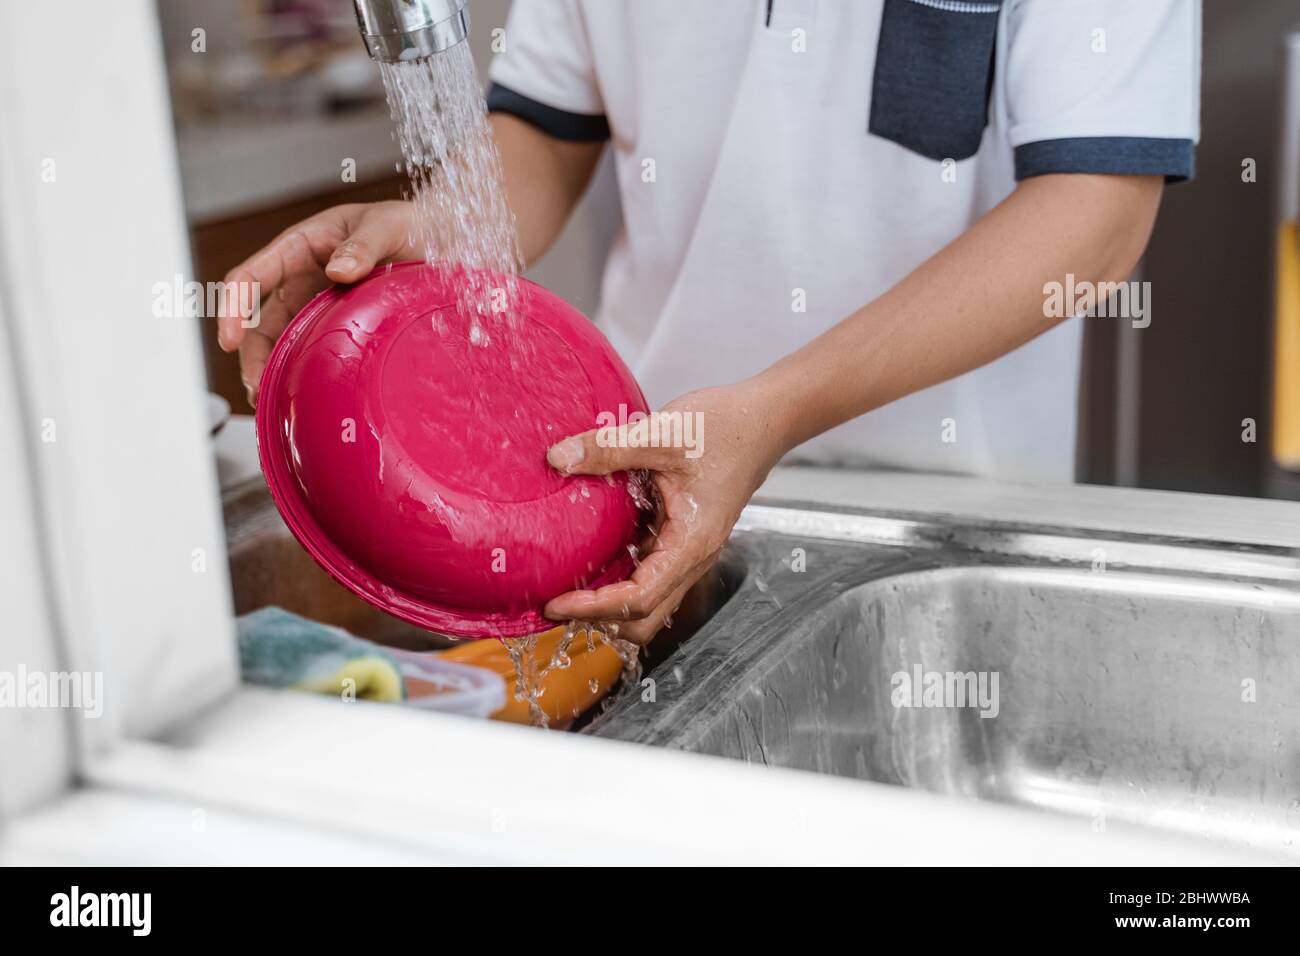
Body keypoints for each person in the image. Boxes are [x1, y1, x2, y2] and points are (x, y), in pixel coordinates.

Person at [217, 0, 1201, 646]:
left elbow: (1095, 213)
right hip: (636, 493)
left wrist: (773, 410)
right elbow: (548, 134)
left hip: (944, 523)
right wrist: (433, 229)